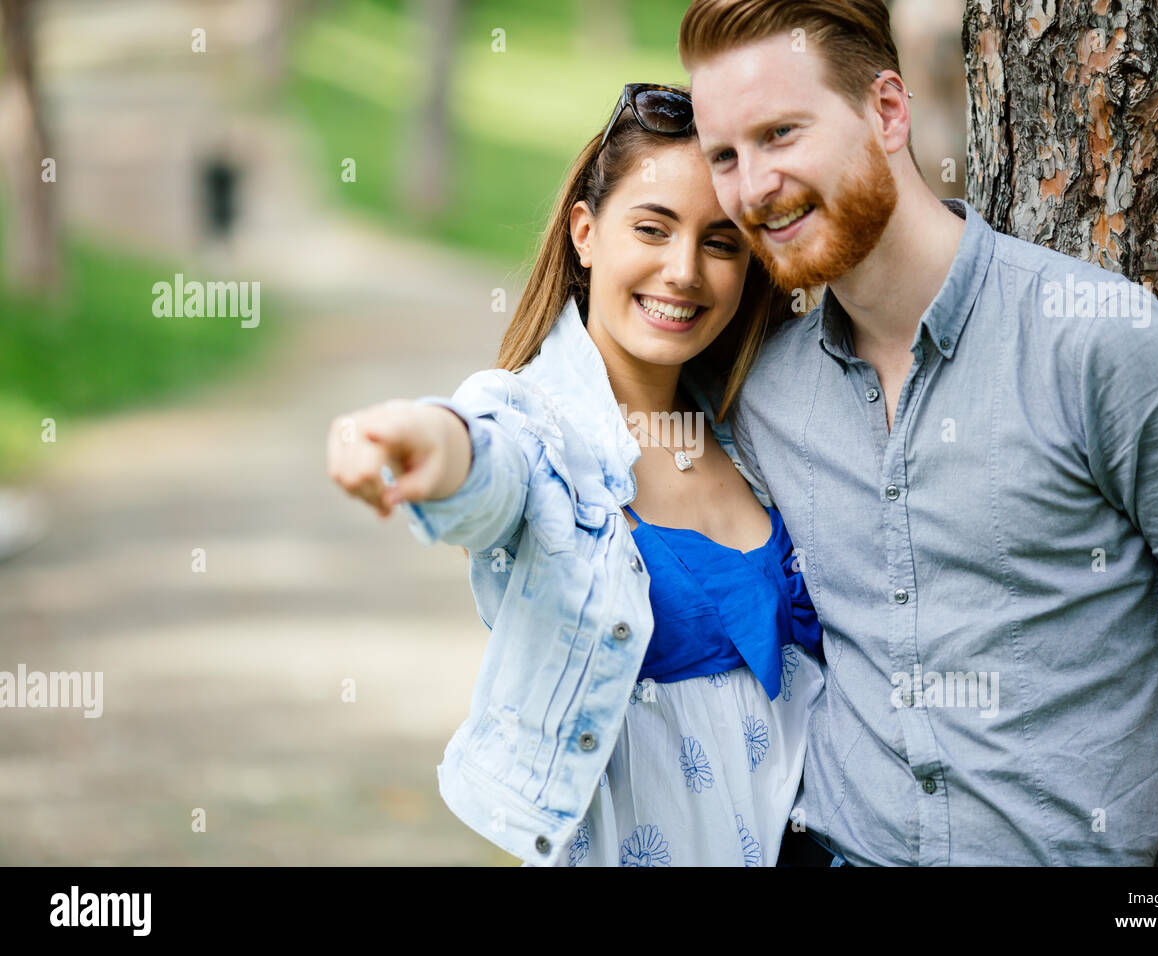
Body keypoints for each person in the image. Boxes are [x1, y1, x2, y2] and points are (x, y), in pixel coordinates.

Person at [678, 0, 1158, 866]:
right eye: (725, 156)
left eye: (780, 133)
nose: (750, 188)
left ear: (887, 112)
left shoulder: (1105, 347)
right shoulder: (760, 388)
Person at [326, 83, 825, 866]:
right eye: (652, 229)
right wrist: (431, 437)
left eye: (721, 243)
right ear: (586, 235)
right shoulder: (537, 427)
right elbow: (489, 466)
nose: (684, 271)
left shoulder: (760, 432)